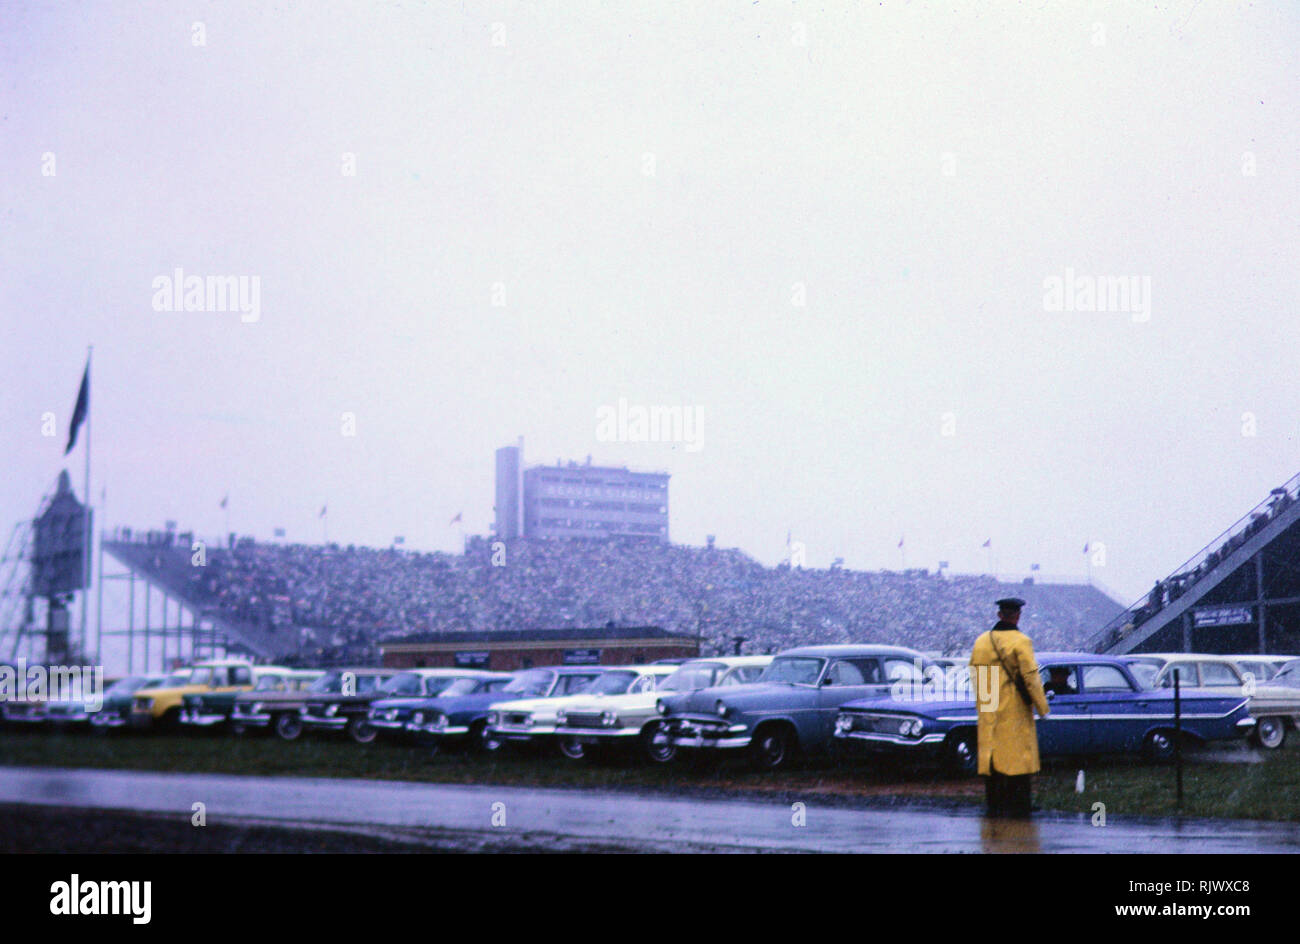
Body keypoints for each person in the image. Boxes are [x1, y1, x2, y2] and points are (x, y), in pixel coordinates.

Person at [969, 597, 1050, 818]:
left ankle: (994, 803)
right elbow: (1030, 677)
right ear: (1017, 615)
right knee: (1018, 758)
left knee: (992, 757)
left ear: (999, 615)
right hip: (1013, 708)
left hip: (989, 706)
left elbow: (977, 675)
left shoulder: (982, 641)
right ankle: (1019, 804)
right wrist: (1042, 707)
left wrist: (984, 704)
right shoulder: (1020, 641)